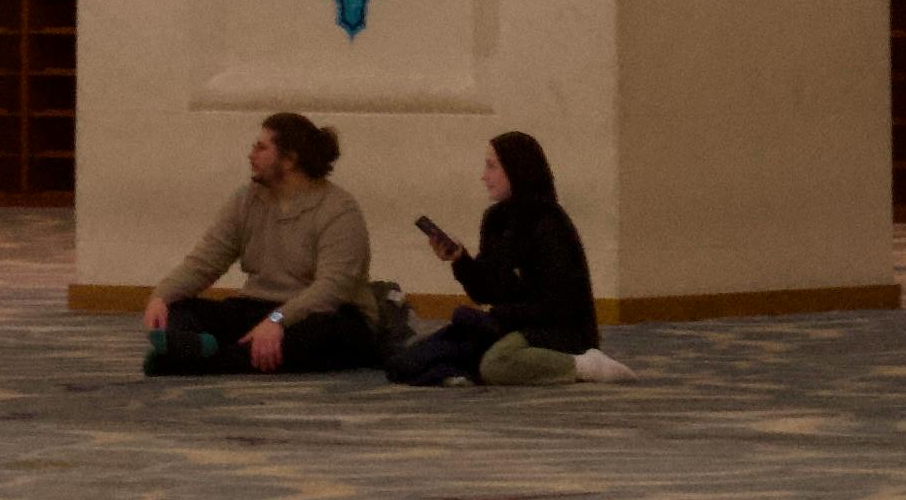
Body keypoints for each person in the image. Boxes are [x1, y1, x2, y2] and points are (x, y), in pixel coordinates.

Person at [142, 111, 381, 375]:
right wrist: (161, 297)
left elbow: (332, 289)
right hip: (260, 309)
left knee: (320, 335)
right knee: (178, 309)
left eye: (261, 147)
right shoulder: (246, 200)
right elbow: (205, 261)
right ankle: (221, 356)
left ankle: (198, 361)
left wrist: (278, 320)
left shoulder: (338, 210)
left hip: (324, 313)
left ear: (289, 160)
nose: (251, 155)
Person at [388, 130, 623, 385]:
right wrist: (460, 260)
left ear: (516, 169)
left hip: (556, 331)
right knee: (405, 363)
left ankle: (583, 366)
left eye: (492, 167)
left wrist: (499, 316)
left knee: (496, 363)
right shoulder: (495, 219)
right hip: (507, 325)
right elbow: (486, 291)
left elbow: (555, 306)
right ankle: (463, 372)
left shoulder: (550, 223)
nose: (484, 176)